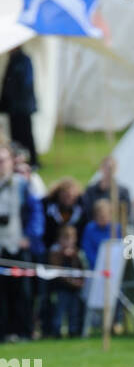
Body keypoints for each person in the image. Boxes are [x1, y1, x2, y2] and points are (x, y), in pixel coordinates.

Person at [0, 142, 44, 342]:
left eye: (3, 161)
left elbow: (36, 212)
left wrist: (30, 236)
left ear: (10, 161)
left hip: (18, 244)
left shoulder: (22, 185)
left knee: (22, 291)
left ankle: (23, 331)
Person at [0, 46, 38, 167]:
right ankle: (17, 159)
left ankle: (32, 160)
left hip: (22, 105)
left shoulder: (24, 60)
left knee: (26, 134)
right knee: (15, 135)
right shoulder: (13, 60)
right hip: (14, 106)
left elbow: (26, 83)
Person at [47, 223, 86, 338]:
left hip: (75, 289)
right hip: (61, 288)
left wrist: (74, 256)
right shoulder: (55, 252)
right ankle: (56, 332)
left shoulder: (78, 253)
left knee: (74, 312)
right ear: (60, 239)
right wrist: (62, 255)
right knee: (59, 312)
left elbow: (83, 267)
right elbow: (57, 271)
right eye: (66, 238)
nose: (68, 241)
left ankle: (73, 331)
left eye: (71, 238)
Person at [80, 155, 130, 224]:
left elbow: (126, 214)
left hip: (116, 229)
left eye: (112, 168)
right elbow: (87, 213)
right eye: (107, 168)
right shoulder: (91, 191)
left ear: (116, 169)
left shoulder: (123, 192)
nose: (109, 171)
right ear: (101, 168)